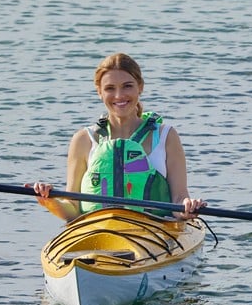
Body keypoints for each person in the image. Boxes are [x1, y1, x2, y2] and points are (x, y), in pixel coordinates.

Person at [32, 53, 206, 221]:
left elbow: (179, 199)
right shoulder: (83, 140)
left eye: (127, 86)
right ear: (99, 92)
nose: (119, 95)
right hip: (99, 231)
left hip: (155, 231)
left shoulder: (166, 136)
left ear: (140, 86)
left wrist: (187, 207)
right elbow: (73, 208)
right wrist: (49, 200)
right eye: (110, 88)